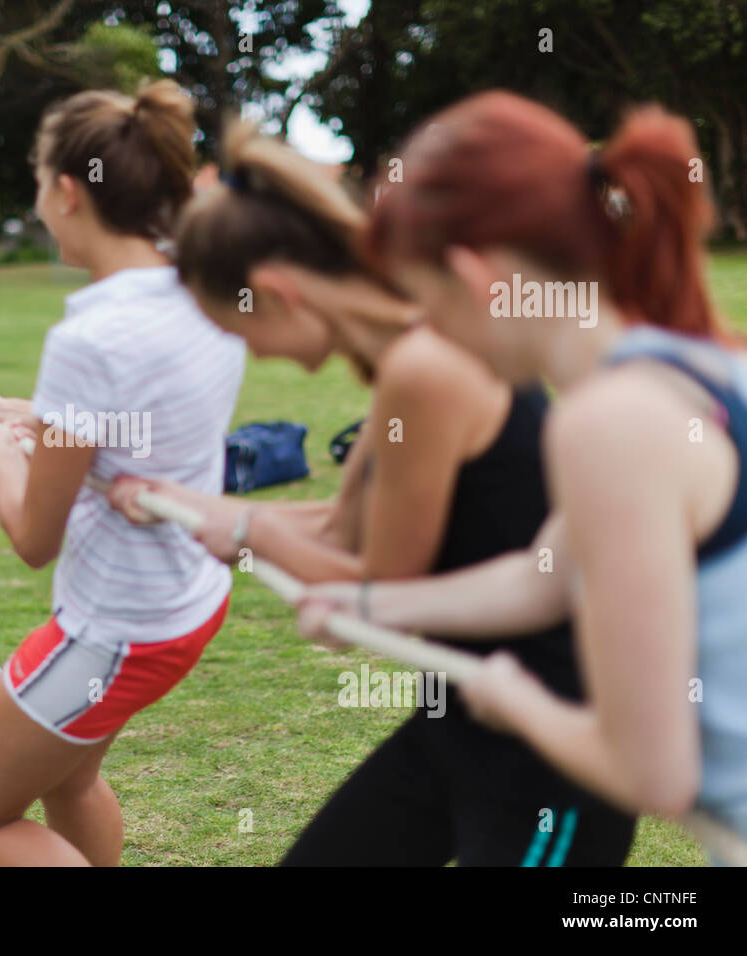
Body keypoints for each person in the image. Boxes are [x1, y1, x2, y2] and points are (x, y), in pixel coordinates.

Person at [108, 123, 636, 865]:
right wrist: (180, 503)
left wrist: (249, 528)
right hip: (457, 717)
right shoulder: (407, 355)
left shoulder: (430, 365)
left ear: (274, 294)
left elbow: (379, 582)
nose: (254, 351)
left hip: (548, 748)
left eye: (238, 328)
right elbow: (343, 524)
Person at [303, 91, 747, 855]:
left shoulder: (608, 422)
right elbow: (542, 578)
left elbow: (652, 773)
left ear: (475, 275)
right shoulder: (701, 363)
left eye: (425, 301)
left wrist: (516, 700)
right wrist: (367, 600)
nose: (425, 336)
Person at [0, 81, 247, 866]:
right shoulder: (200, 287)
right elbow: (125, 428)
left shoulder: (94, 335)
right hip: (187, 605)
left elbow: (34, 537)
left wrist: (8, 447)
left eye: (40, 185)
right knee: (68, 784)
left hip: (112, 635)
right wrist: (28, 411)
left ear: (69, 193)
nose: (39, 204)